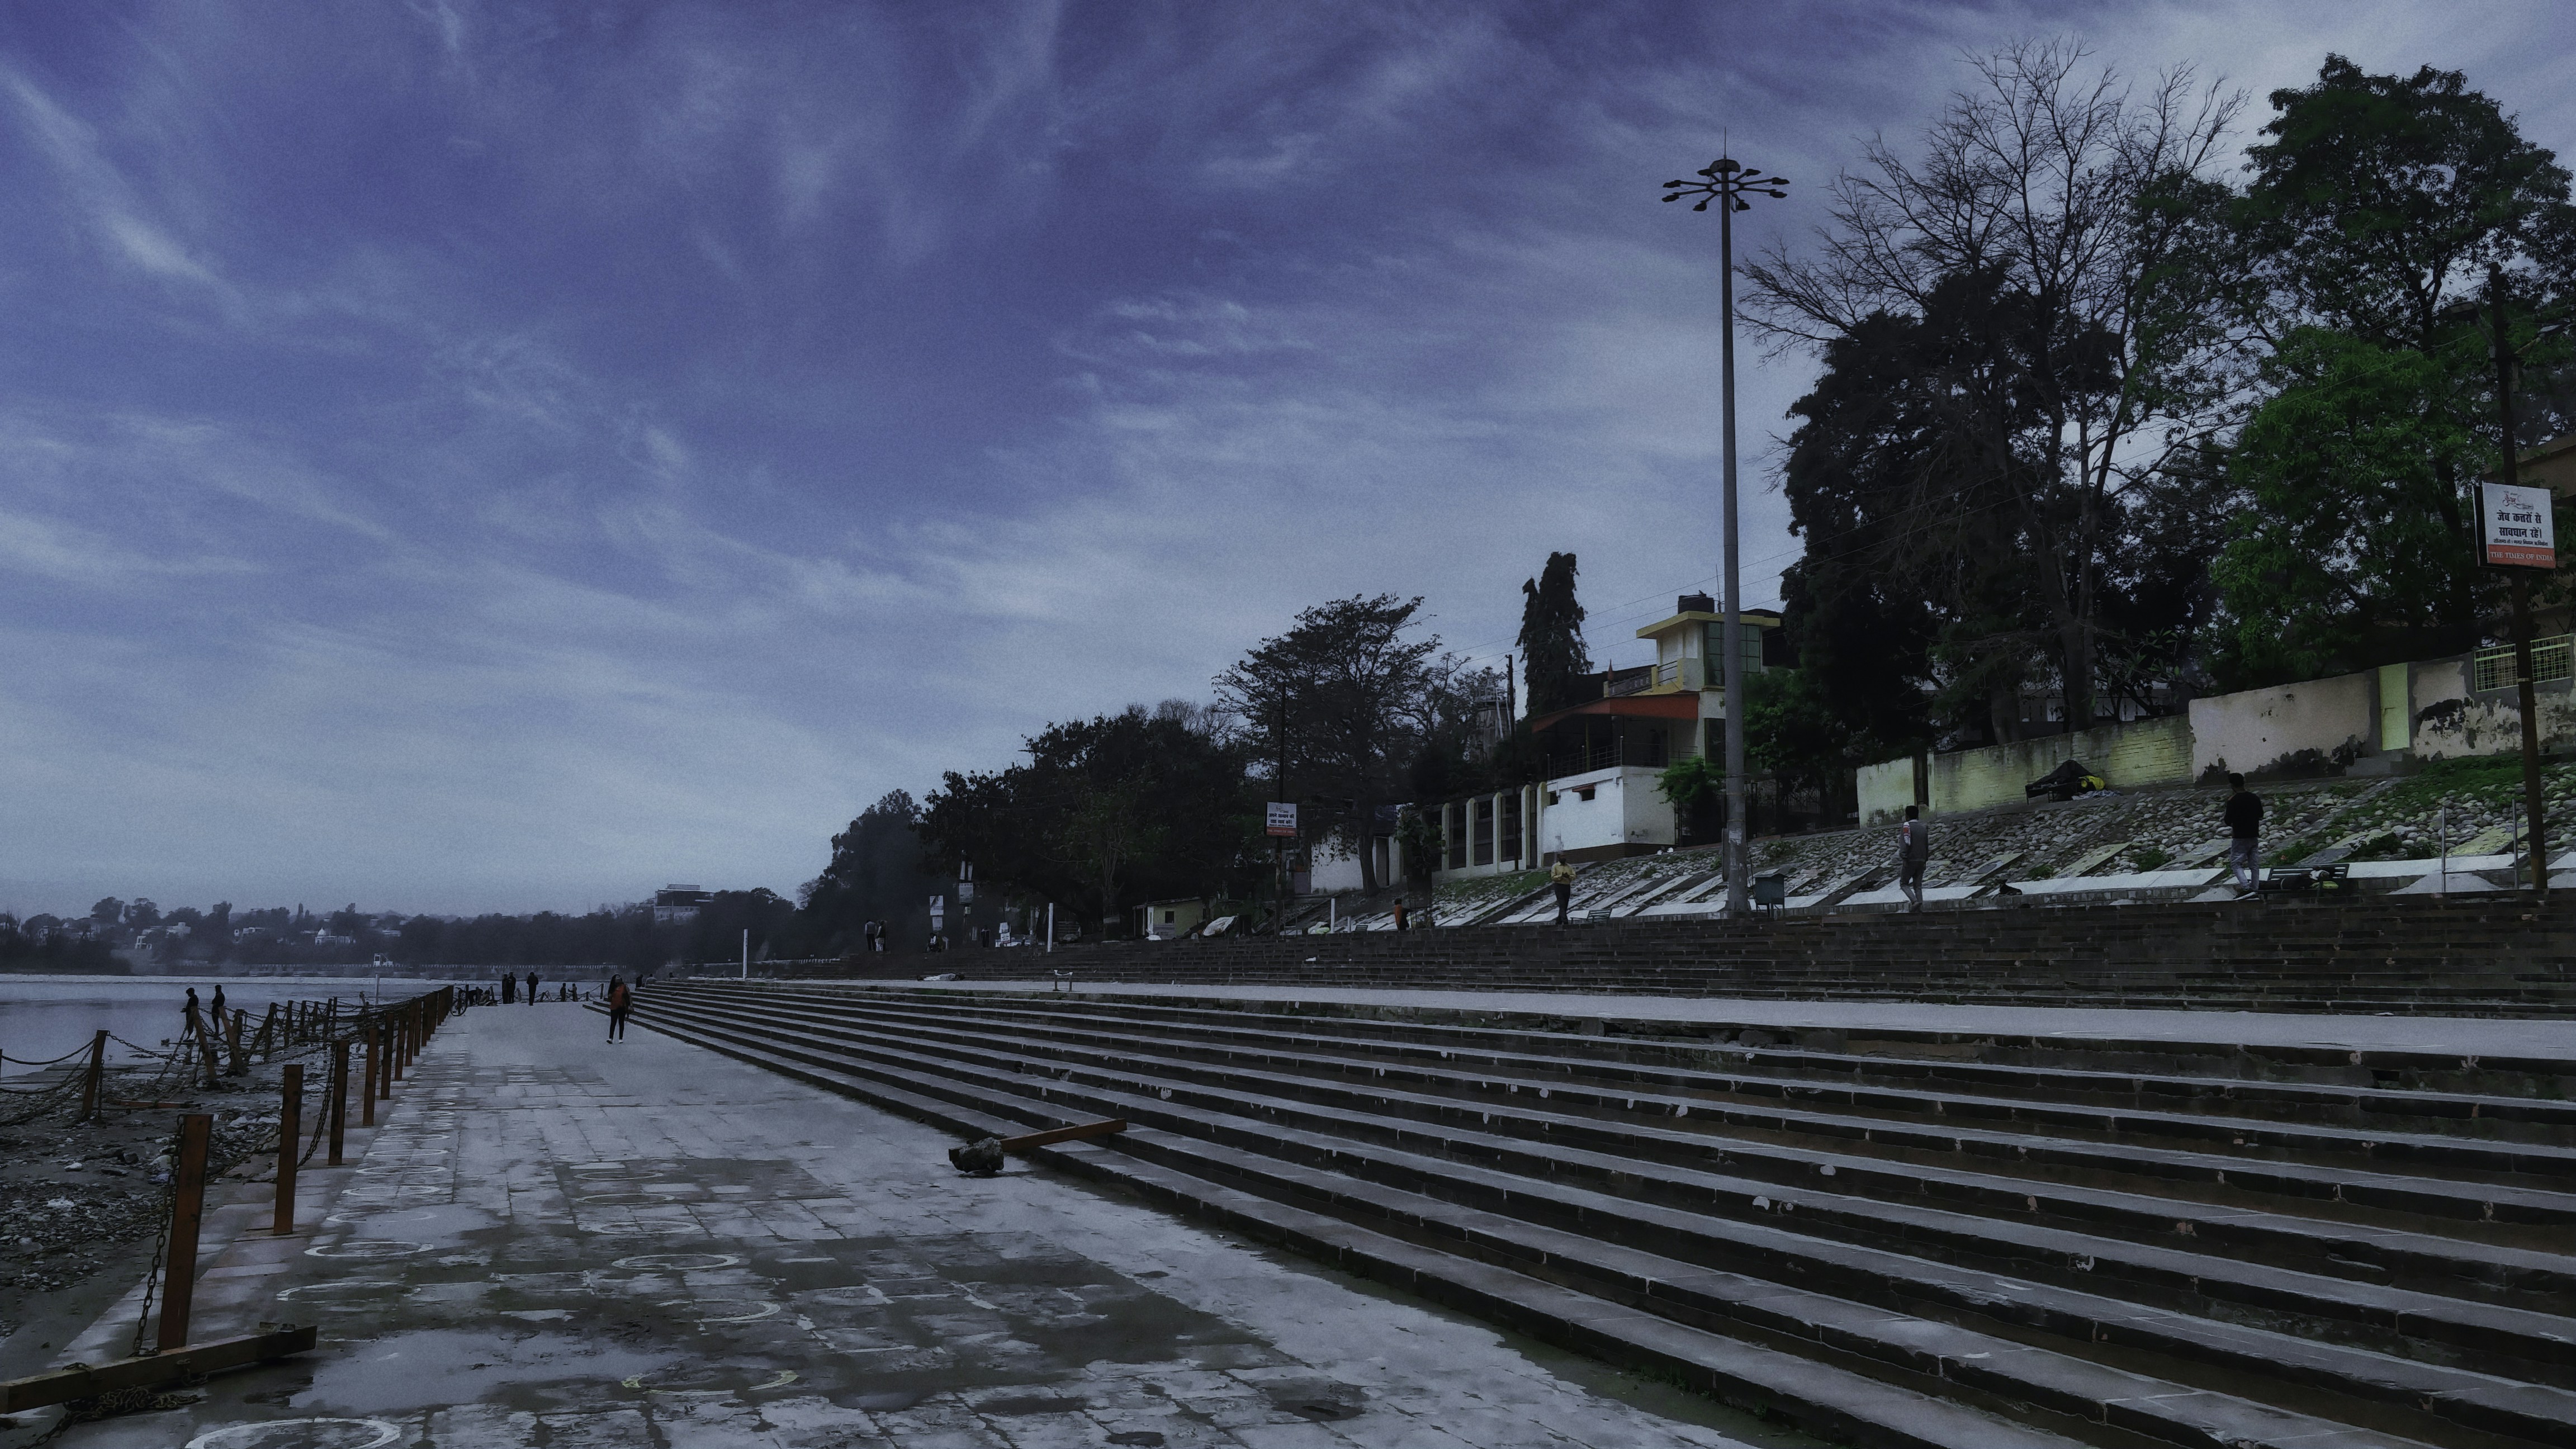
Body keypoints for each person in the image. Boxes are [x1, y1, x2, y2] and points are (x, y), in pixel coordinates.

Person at [2225, 773, 2264, 898]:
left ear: (2231, 785)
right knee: (2254, 864)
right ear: (2244, 782)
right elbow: (2261, 814)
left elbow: (2227, 820)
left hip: (2240, 837)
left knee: (2236, 864)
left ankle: (2246, 888)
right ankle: (2255, 889)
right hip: (2253, 835)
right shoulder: (2254, 798)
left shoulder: (2233, 801)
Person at [1898, 806, 1930, 913]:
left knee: (1904, 883)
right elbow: (1926, 846)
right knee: (1918, 886)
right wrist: (1925, 860)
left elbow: (1904, 845)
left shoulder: (1906, 828)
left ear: (1907, 816)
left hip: (1910, 859)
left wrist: (1904, 857)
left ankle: (1914, 901)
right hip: (1922, 860)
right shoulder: (1923, 829)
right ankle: (1920, 909)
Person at [1550, 859, 1577, 926]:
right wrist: (1561, 876)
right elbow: (1553, 877)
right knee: (1562, 904)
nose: (1563, 858)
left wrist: (1568, 876)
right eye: (1562, 857)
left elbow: (1574, 876)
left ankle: (1559, 921)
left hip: (1567, 886)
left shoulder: (1569, 867)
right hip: (1559, 886)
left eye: (1564, 857)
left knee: (1565, 905)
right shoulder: (1555, 866)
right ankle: (1565, 921)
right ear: (1559, 858)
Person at [606, 974, 631, 1042]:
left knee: (621, 1022)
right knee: (613, 1023)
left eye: (618, 982)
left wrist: (630, 1005)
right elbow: (609, 998)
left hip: (622, 1007)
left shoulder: (624, 987)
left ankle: (621, 1038)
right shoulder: (612, 988)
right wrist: (610, 997)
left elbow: (629, 996)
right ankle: (611, 1038)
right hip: (614, 1007)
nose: (617, 984)